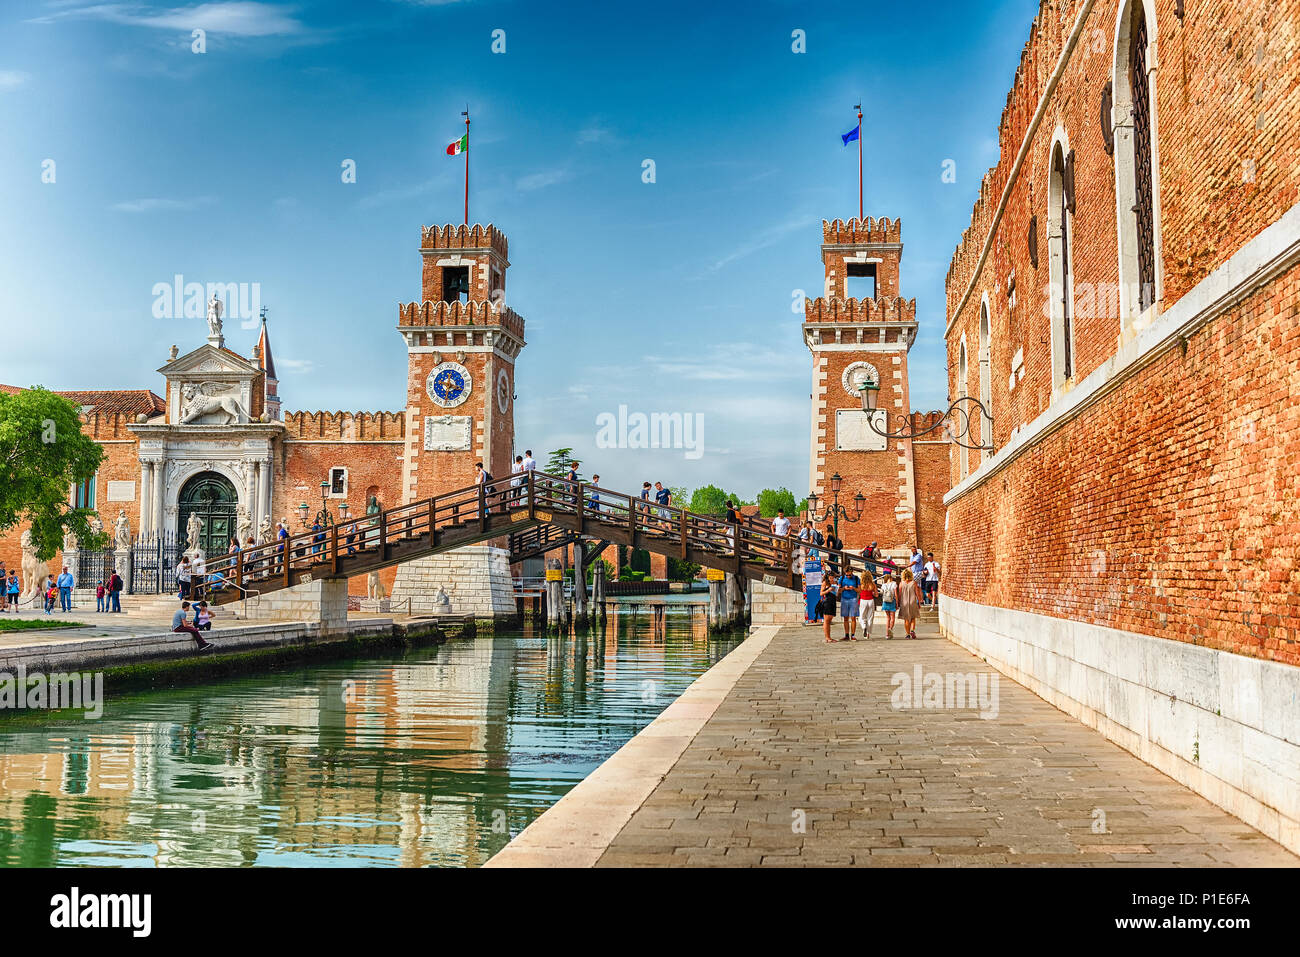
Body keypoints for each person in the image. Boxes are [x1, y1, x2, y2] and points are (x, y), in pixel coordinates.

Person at [837, 564, 861, 641]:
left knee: (853, 617)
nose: (848, 576)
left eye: (849, 575)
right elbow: (838, 590)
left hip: (853, 599)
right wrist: (844, 588)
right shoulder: (842, 578)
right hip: (844, 599)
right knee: (845, 618)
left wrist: (853, 588)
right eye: (847, 575)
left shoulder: (857, 578)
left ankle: (853, 635)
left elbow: (859, 591)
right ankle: (846, 635)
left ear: (852, 572)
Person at [898, 569, 922, 640]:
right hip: (913, 602)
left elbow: (899, 594)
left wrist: (898, 603)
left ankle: (907, 634)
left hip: (904, 602)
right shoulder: (914, 583)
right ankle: (912, 630)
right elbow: (917, 594)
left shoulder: (901, 583)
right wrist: (919, 602)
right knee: (913, 618)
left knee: (906, 619)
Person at [857, 570, 878, 639]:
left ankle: (864, 627)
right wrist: (872, 593)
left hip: (863, 600)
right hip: (870, 600)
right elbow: (876, 595)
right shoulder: (872, 584)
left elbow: (859, 593)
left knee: (862, 616)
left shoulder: (861, 584)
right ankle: (868, 632)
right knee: (870, 617)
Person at [818, 572, 838, 643]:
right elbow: (821, 593)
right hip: (827, 602)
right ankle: (827, 638)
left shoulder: (835, 583)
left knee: (829, 620)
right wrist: (828, 590)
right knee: (826, 621)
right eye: (830, 578)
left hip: (833, 601)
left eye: (833, 577)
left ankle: (829, 637)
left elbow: (836, 594)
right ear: (828, 577)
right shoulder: (825, 583)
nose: (832, 579)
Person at [880, 573, 899, 639]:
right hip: (892, 601)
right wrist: (897, 602)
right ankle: (890, 628)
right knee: (892, 617)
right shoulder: (894, 584)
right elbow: (896, 594)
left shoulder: (883, 585)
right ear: (890, 578)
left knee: (888, 618)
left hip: (885, 602)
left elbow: (881, 593)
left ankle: (887, 634)